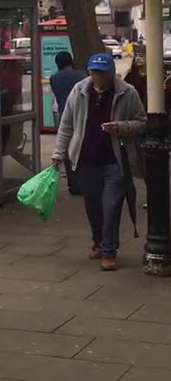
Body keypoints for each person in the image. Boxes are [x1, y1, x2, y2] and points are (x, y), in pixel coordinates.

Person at [51, 52, 146, 271]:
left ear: (111, 72)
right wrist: (58, 154)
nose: (98, 78)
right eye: (94, 73)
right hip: (86, 159)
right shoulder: (79, 91)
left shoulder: (127, 92)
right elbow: (66, 125)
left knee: (111, 206)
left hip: (115, 160)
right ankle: (98, 241)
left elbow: (141, 121)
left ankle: (109, 251)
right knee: (93, 206)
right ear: (89, 72)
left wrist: (121, 127)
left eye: (102, 73)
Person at [49, 51, 89, 196]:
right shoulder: (82, 75)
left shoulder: (54, 78)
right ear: (71, 61)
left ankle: (73, 183)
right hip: (82, 116)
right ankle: (85, 182)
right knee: (83, 147)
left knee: (67, 149)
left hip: (64, 115)